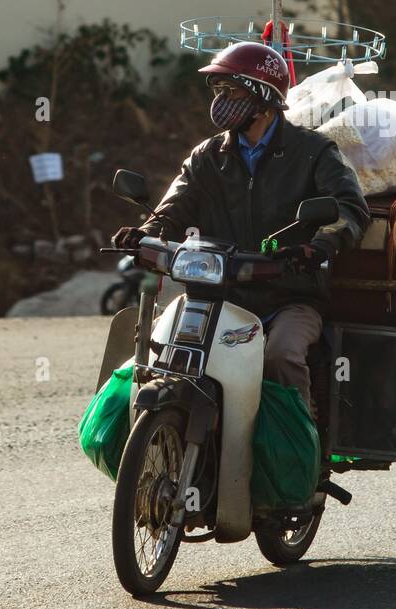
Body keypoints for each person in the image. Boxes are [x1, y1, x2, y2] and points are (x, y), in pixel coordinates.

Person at [112, 41, 369, 413]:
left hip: (288, 296)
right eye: (218, 91)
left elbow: (349, 208)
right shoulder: (207, 156)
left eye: (230, 91)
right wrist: (147, 233)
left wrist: (318, 246)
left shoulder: (312, 151)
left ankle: (297, 460)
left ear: (263, 97)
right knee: (164, 346)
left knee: (281, 356)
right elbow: (175, 206)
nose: (220, 100)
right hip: (215, 294)